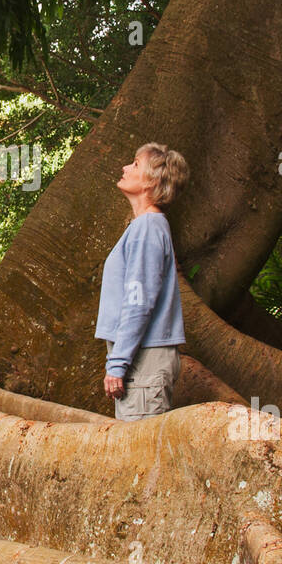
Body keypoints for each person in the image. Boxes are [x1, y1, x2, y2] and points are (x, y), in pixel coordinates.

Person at [95, 143, 189, 421]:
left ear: (152, 180)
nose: (125, 167)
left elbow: (139, 301)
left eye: (135, 164)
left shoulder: (148, 228)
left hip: (143, 364)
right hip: (142, 364)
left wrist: (117, 364)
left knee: (141, 461)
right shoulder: (146, 226)